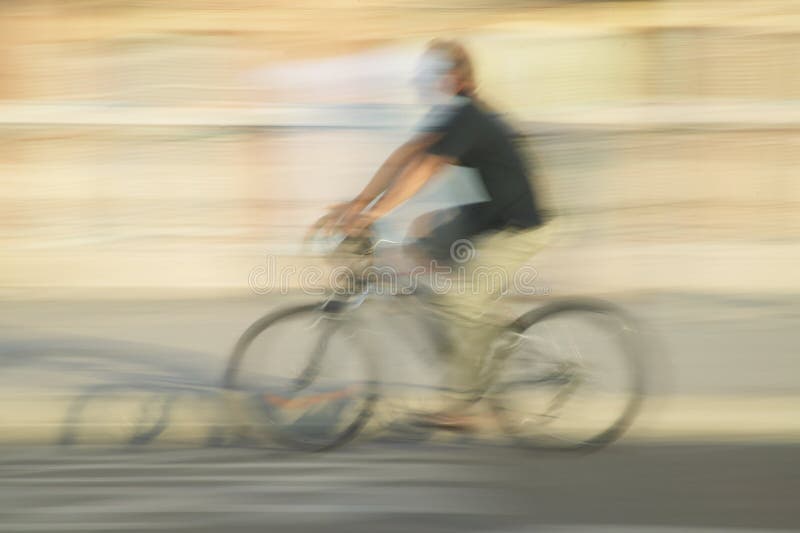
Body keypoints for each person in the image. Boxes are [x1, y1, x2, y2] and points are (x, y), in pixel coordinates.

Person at [326, 39, 553, 428]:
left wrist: (376, 211)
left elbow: (426, 169)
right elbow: (405, 156)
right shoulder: (449, 115)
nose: (422, 82)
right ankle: (478, 322)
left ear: (453, 78)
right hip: (487, 215)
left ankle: (463, 405)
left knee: (457, 302)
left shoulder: (469, 117)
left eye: (429, 75)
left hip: (518, 226)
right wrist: (358, 205)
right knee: (420, 243)